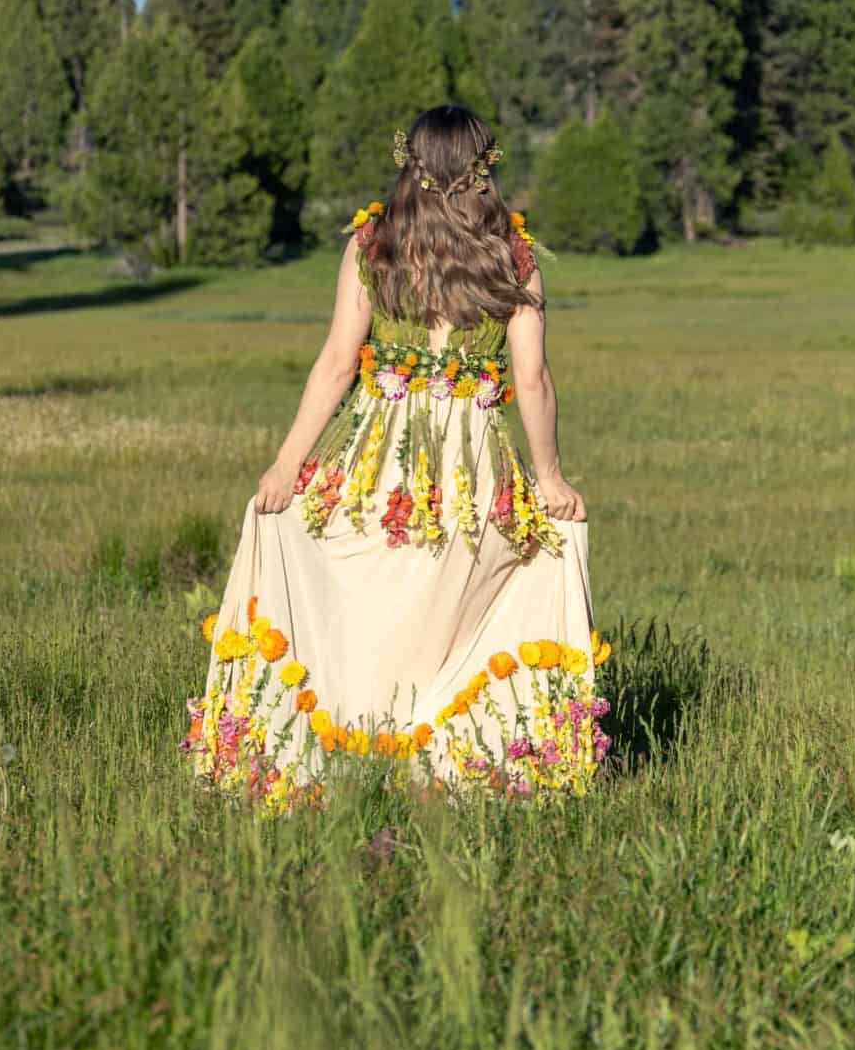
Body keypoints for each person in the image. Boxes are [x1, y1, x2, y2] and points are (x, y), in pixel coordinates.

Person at [192, 104, 600, 791]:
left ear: (408, 162)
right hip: (469, 463)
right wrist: (550, 477)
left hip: (381, 453)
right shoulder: (512, 254)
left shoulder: (372, 245)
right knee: (452, 591)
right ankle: (458, 745)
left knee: (372, 583)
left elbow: (335, 363)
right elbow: (530, 378)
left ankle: (351, 735)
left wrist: (288, 463)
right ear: (483, 168)